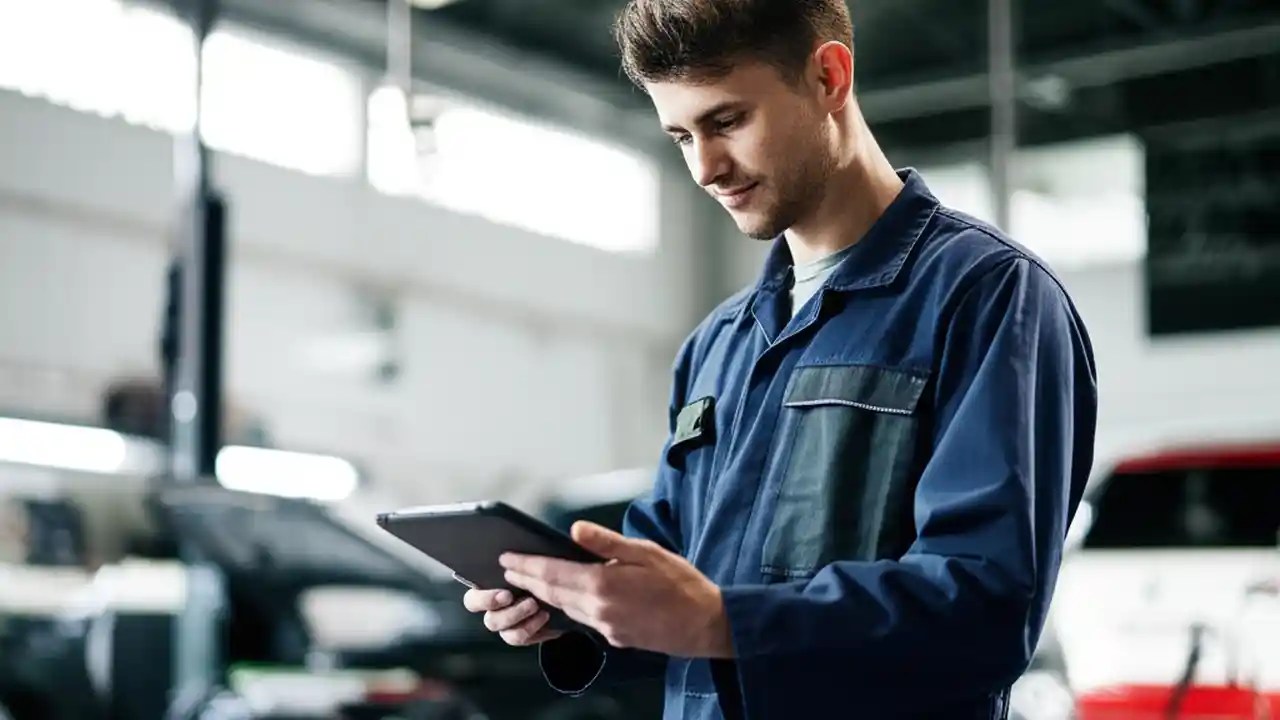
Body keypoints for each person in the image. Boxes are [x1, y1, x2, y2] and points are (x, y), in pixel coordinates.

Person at [463, 1, 1098, 717]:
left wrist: (722, 621)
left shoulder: (988, 298)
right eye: (680, 135)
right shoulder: (718, 343)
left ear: (829, 77)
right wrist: (572, 605)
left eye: (727, 121)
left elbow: (984, 606)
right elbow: (674, 572)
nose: (704, 167)